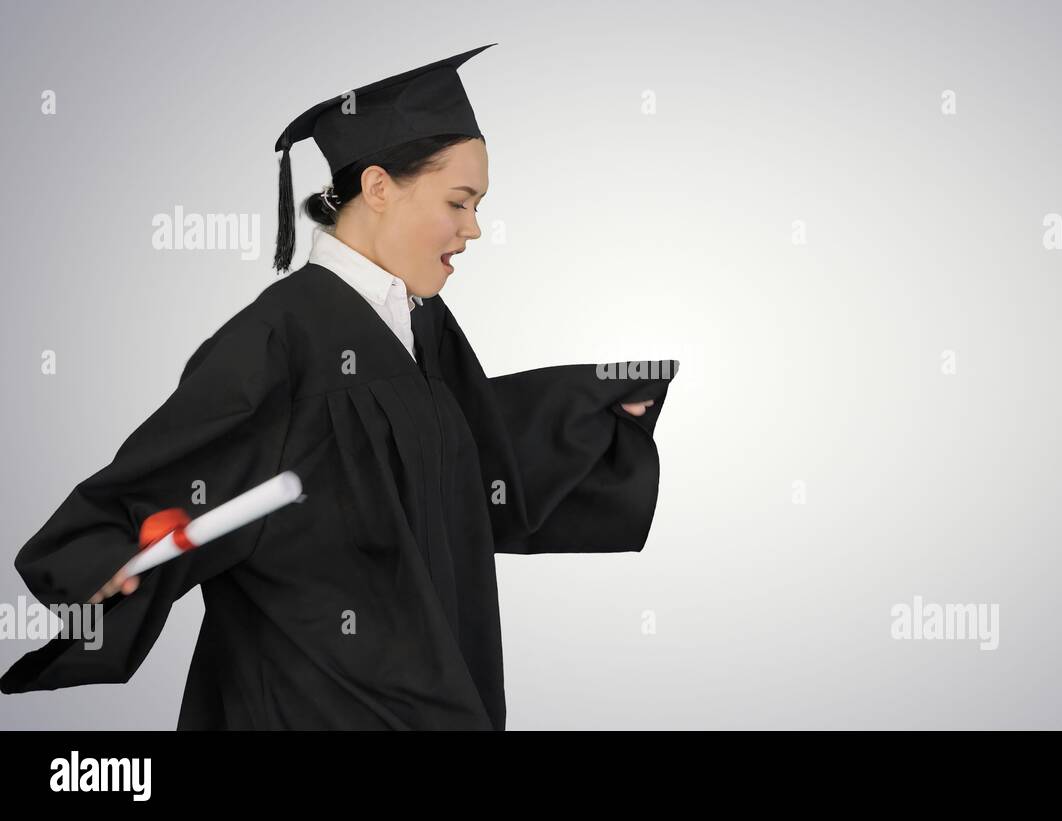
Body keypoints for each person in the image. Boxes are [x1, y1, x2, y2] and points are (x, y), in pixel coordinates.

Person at [0, 43, 678, 730]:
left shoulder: (423, 324)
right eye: (459, 202)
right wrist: (104, 562)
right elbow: (166, 486)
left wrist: (585, 411)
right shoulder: (277, 342)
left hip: (433, 695)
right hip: (308, 706)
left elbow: (469, 459)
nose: (474, 228)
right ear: (380, 188)